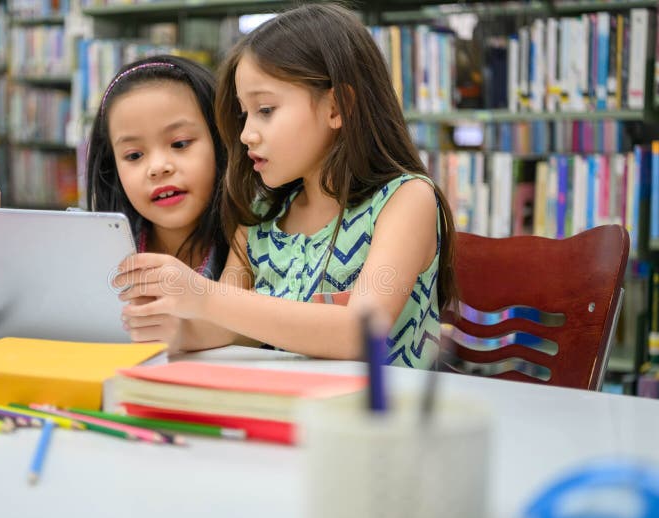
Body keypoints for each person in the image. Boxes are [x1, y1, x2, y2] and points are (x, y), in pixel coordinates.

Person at [116, 4, 457, 367]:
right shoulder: (260, 216)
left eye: (265, 110)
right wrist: (173, 331)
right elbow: (235, 326)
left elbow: (360, 332)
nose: (246, 134)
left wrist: (202, 294)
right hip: (287, 409)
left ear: (337, 106)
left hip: (378, 416)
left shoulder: (405, 200)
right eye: (244, 114)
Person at [0, 55, 229, 351]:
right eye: (133, 156)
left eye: (179, 144)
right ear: (112, 168)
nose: (158, 167)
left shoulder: (249, 241)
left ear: (223, 142)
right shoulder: (90, 240)